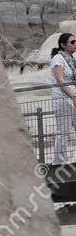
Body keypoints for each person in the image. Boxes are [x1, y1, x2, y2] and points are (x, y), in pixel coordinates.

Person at [52, 33, 76, 164]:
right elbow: (60, 80)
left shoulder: (72, 59)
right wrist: (72, 95)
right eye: (72, 42)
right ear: (63, 45)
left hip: (73, 98)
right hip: (63, 100)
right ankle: (59, 162)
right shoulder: (58, 59)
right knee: (64, 131)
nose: (75, 44)